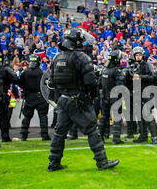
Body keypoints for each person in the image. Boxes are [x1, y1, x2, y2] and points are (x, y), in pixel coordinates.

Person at [48, 28, 119, 171]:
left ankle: (53, 163)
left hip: (63, 99)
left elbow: (51, 82)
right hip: (78, 99)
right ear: (77, 41)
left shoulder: (57, 57)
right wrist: (90, 98)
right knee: (92, 130)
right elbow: (91, 82)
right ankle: (102, 161)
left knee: (59, 132)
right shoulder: (81, 57)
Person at [19, 55, 51, 141]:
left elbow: (20, 83)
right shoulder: (43, 72)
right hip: (40, 96)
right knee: (43, 116)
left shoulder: (25, 73)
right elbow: (47, 85)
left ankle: (23, 135)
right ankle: (44, 135)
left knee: (27, 116)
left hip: (29, 96)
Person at [131, 46, 157, 145]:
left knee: (147, 115)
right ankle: (143, 136)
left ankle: (154, 137)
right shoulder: (134, 66)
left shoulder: (147, 65)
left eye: (139, 55)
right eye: (136, 55)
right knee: (140, 116)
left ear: (143, 55)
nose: (138, 57)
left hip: (147, 93)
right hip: (138, 93)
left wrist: (140, 77)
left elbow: (153, 77)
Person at [98, 49, 125, 144]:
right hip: (115, 97)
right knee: (117, 118)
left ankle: (100, 138)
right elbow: (120, 86)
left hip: (105, 97)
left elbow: (99, 84)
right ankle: (116, 139)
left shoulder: (104, 69)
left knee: (104, 117)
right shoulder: (117, 71)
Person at [0, 53, 20, 142]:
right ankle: (5, 137)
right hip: (2, 95)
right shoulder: (5, 69)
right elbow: (16, 79)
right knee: (3, 117)